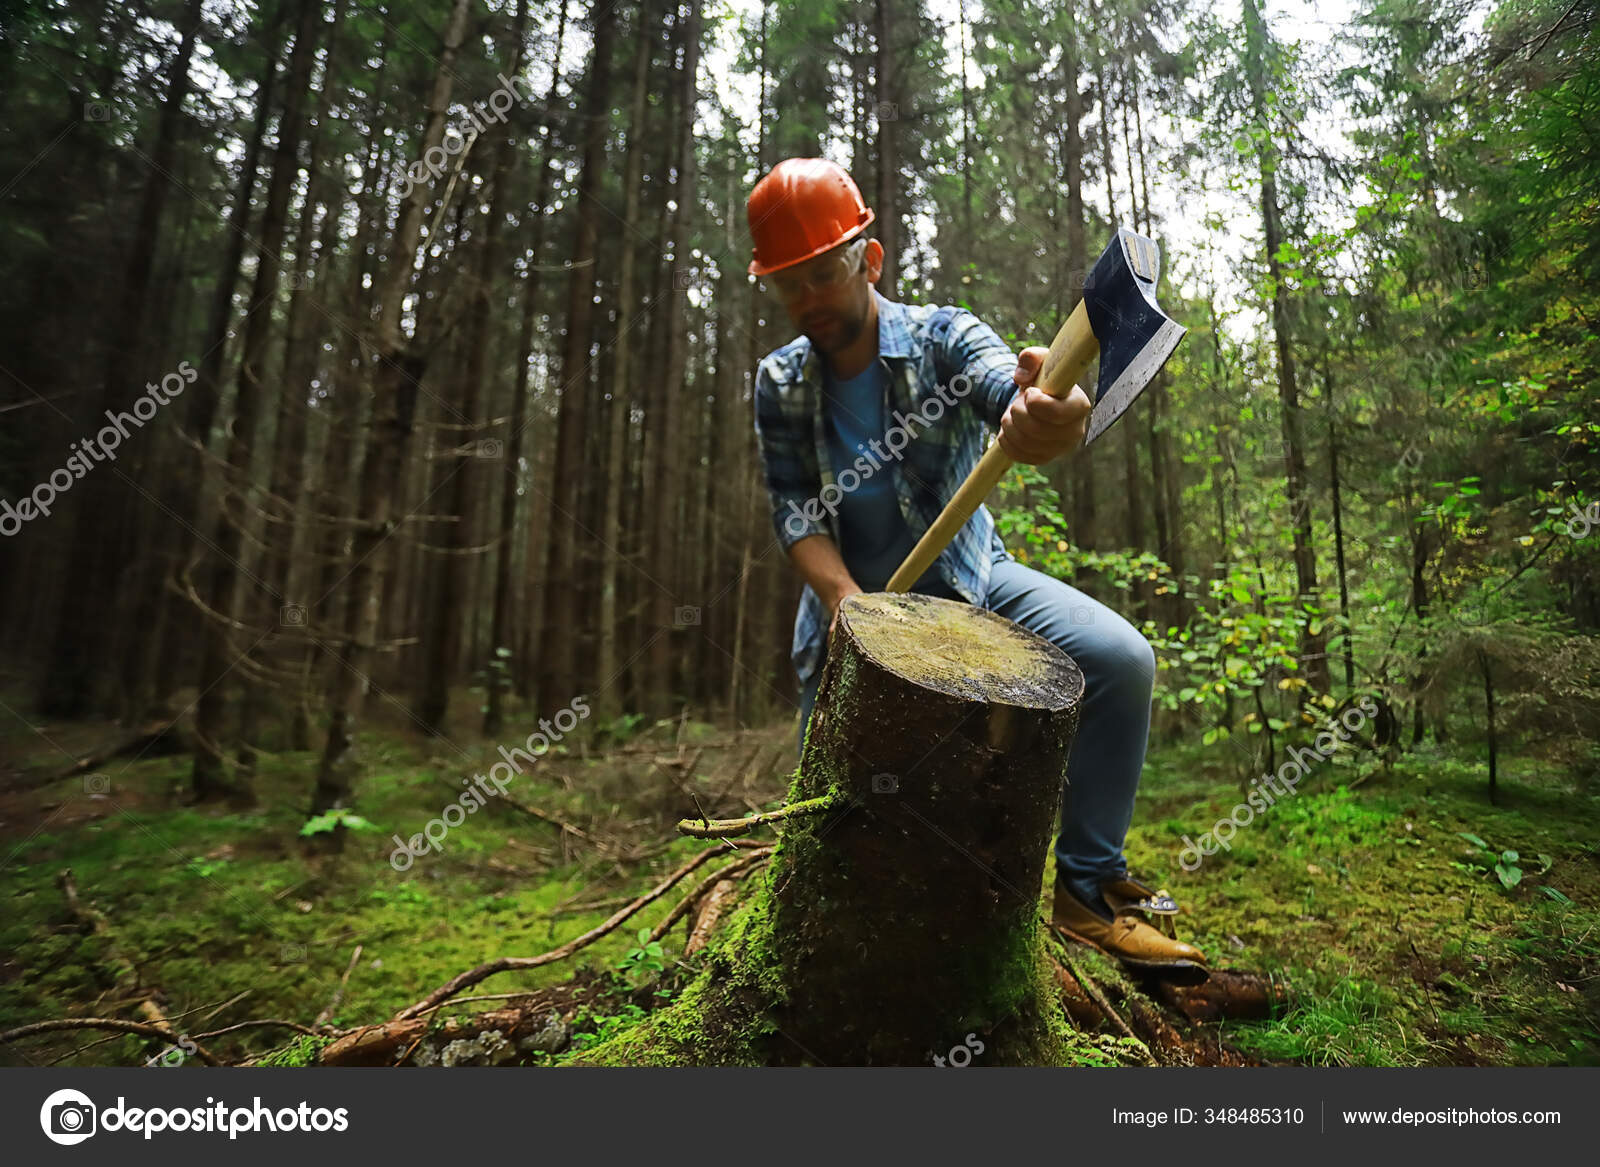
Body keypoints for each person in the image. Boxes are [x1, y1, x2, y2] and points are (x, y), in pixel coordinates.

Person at [746, 157, 1207, 979]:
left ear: (869, 259)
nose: (809, 297)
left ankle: (1088, 892)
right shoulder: (780, 382)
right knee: (835, 817)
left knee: (1122, 659)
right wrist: (848, 603)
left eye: (824, 272)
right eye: (789, 283)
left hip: (971, 582)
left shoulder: (942, 338)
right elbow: (795, 514)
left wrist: (1051, 411)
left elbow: (1017, 392)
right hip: (848, 617)